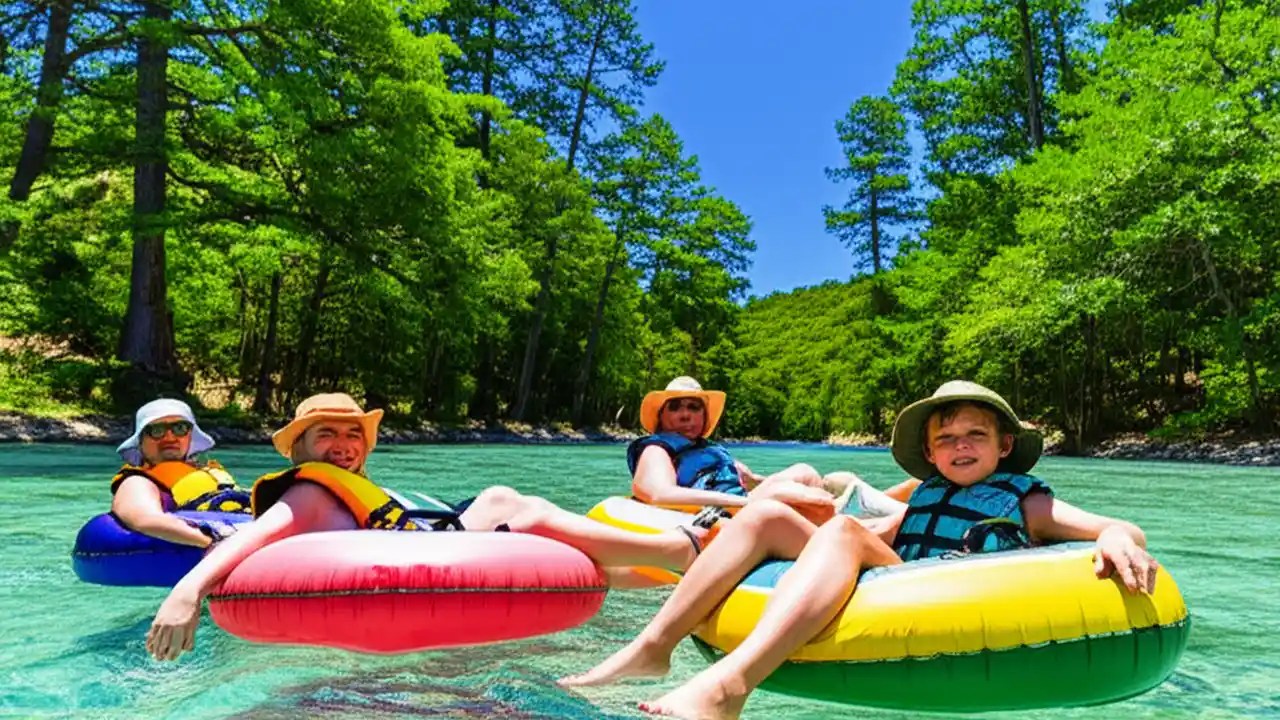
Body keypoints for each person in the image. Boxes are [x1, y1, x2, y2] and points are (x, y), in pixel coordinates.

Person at [561, 380, 1161, 720]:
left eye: (975, 435)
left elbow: (1121, 529)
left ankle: (729, 687)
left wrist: (1114, 537)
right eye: (945, 439)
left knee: (844, 534)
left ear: (1005, 445)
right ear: (930, 454)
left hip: (955, 595)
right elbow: (873, 528)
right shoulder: (925, 495)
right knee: (771, 513)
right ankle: (652, 647)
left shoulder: (1026, 502)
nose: (960, 447)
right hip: (906, 578)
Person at [146, 392, 715, 662]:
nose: (343, 448)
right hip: (428, 553)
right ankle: (684, 549)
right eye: (327, 437)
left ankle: (686, 576)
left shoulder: (353, 489)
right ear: (300, 448)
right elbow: (256, 535)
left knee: (508, 502)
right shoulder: (309, 491)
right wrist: (187, 592)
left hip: (432, 537)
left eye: (353, 438)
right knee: (532, 515)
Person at [630, 377, 901, 524]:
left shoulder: (708, 450)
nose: (685, 415)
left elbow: (743, 481)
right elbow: (656, 493)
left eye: (693, 407)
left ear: (704, 416)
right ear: (662, 418)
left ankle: (866, 509)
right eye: (675, 407)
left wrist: (755, 481)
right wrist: (746, 502)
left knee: (804, 472)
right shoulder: (657, 449)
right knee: (786, 494)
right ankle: (878, 519)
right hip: (714, 513)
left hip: (736, 502)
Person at [110, 399, 248, 549]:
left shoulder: (210, 473)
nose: (169, 437)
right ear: (140, 441)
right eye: (157, 430)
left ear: (189, 436)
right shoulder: (136, 482)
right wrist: (215, 542)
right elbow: (144, 519)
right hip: (222, 544)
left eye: (180, 428)